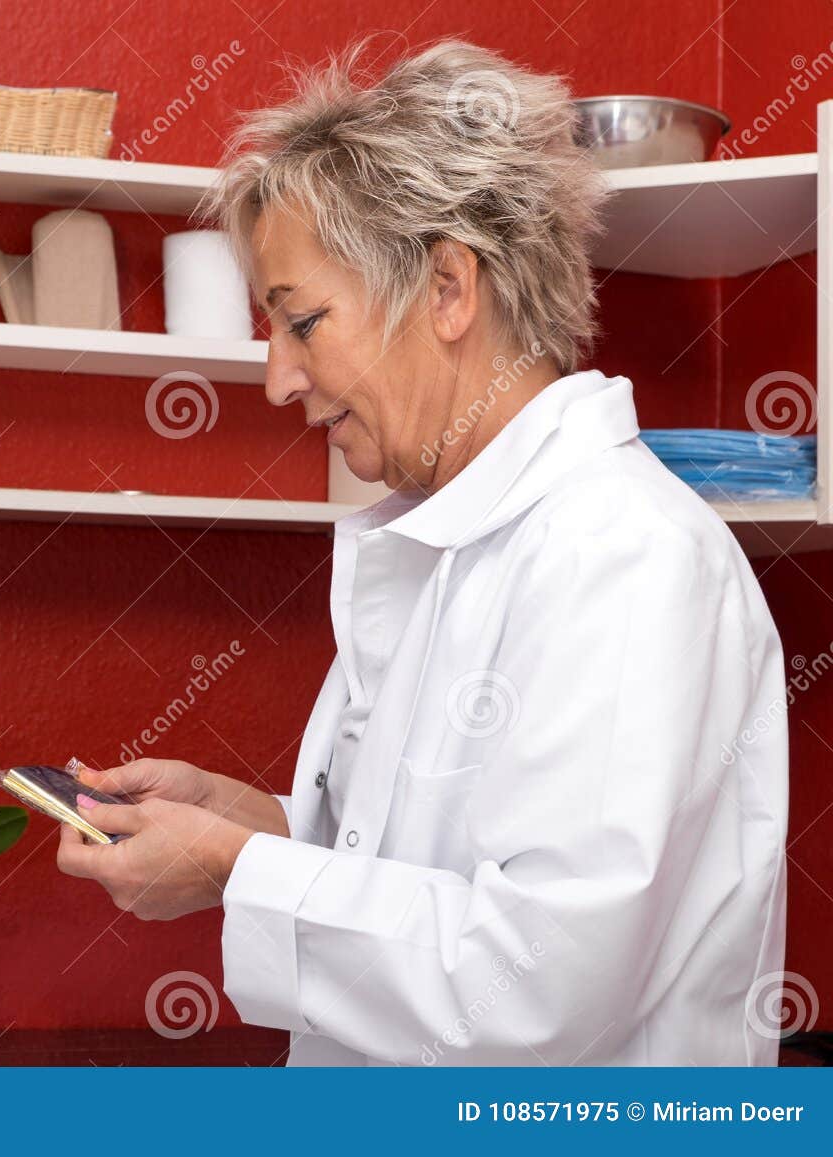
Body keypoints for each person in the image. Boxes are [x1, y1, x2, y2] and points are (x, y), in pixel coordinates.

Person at [56, 40, 788, 1066]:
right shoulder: (454, 538)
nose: (277, 380)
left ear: (448, 286)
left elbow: (531, 985)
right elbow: (419, 876)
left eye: (302, 321)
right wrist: (261, 828)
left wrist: (238, 869)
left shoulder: (624, 555)